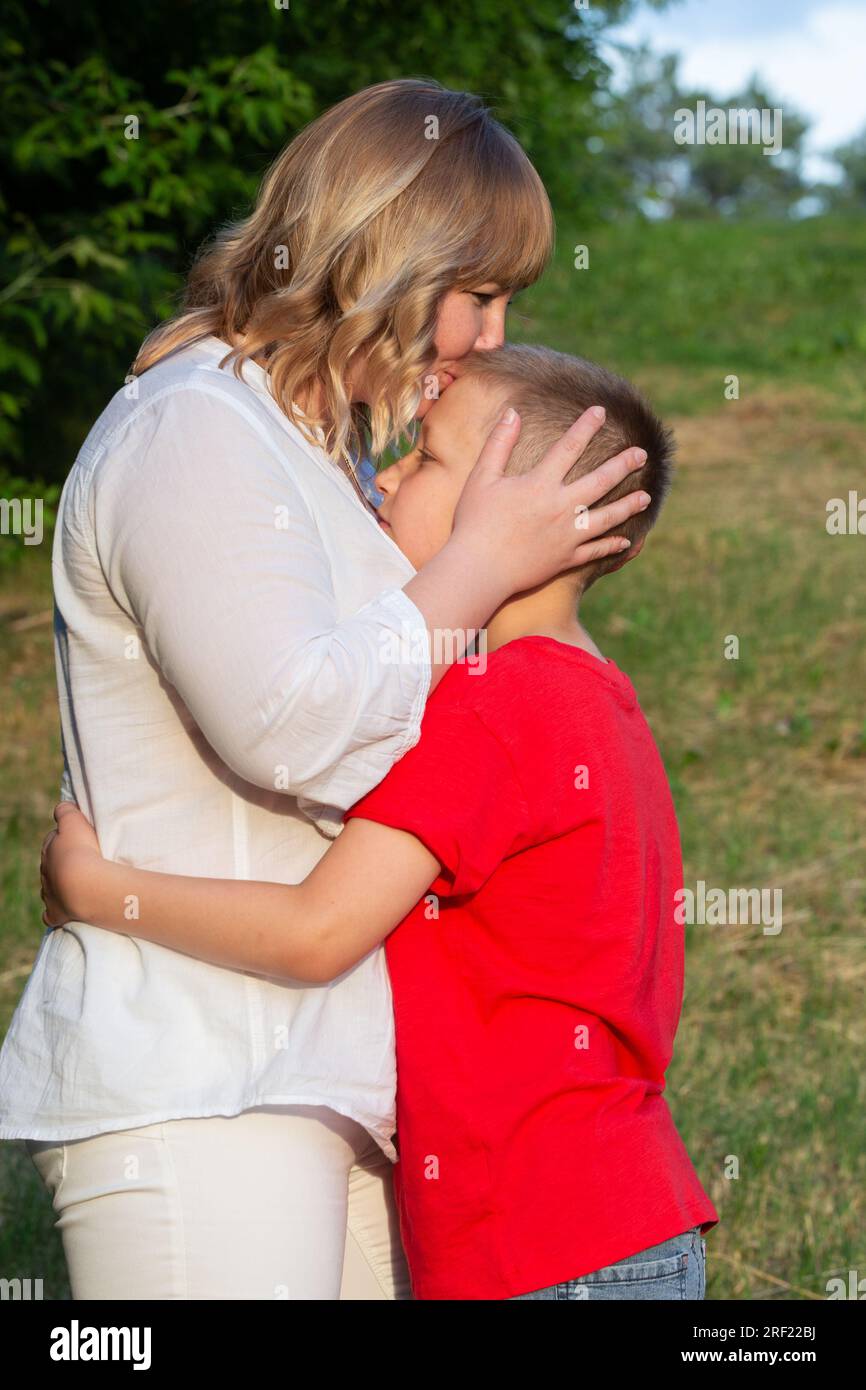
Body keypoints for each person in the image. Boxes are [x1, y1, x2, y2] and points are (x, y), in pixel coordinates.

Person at [0, 82, 650, 1301]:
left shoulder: (311, 448)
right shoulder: (192, 431)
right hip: (195, 1079)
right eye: (481, 294)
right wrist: (476, 565)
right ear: (391, 260)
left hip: (312, 1082)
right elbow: (289, 721)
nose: (493, 337)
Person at [40, 344, 720, 1301]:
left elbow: (319, 931)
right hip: (615, 1222)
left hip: (545, 1251)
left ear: (530, 515)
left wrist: (101, 891)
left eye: (428, 458)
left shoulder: (494, 706)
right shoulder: (599, 701)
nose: (387, 476)